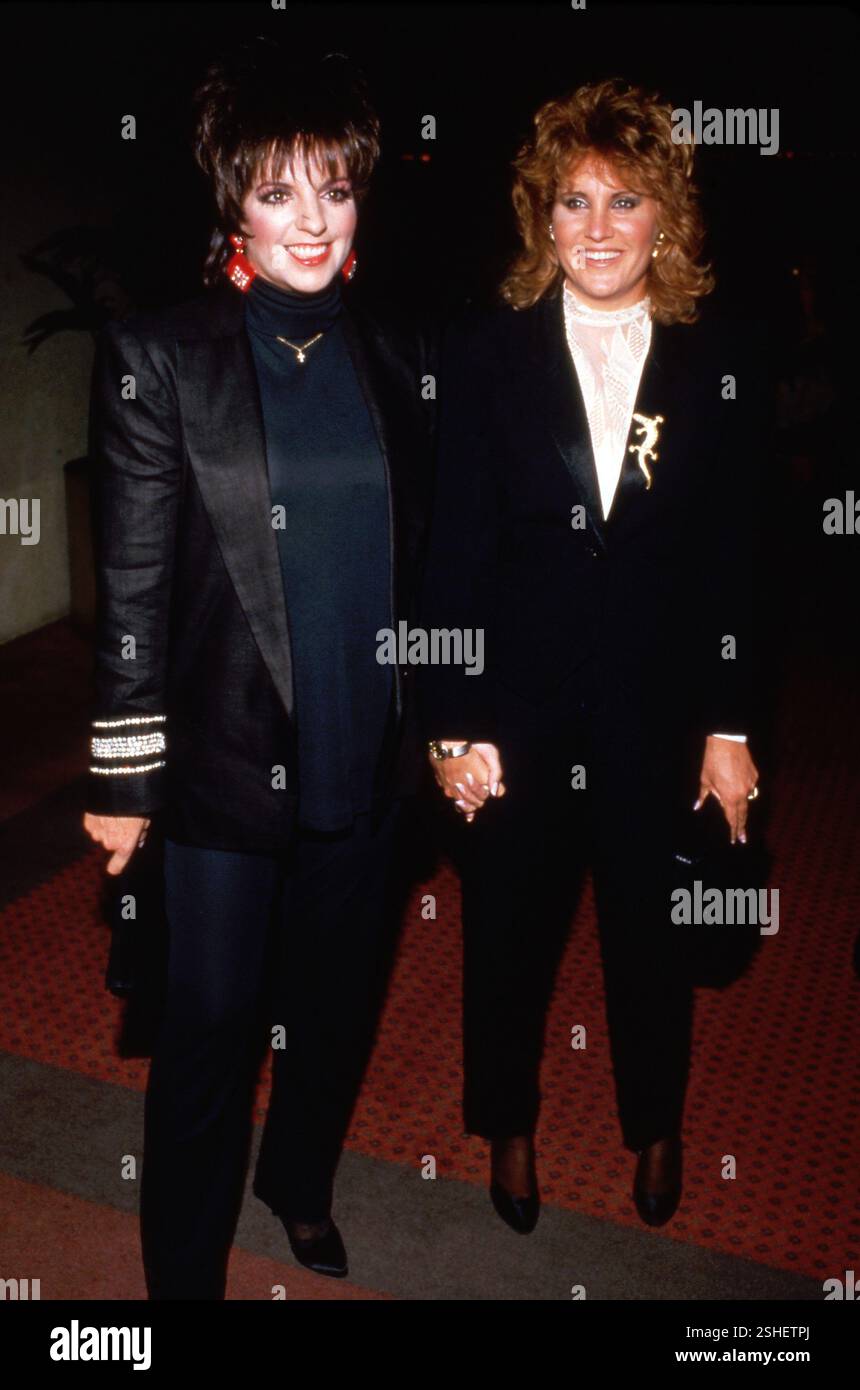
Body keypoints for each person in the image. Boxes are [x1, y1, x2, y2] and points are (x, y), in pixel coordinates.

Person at [82, 38, 432, 1298]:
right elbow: (129, 583)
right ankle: (181, 1277)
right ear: (233, 196)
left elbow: (430, 563)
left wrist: (443, 720)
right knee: (209, 1032)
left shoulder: (396, 356)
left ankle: (295, 1184)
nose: (310, 219)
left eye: (333, 189)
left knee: (332, 1015)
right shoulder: (161, 355)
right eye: (279, 189)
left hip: (364, 762)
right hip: (224, 772)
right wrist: (124, 776)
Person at [420, 77, 767, 1233]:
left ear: (663, 217)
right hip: (516, 712)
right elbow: (452, 551)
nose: (598, 228)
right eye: (573, 202)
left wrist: (725, 728)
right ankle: (507, 1125)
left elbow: (733, 563)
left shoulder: (713, 363)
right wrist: (453, 721)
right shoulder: (485, 359)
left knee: (651, 935)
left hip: (650, 712)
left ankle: (654, 1123)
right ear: (541, 217)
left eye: (624, 201)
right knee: (506, 933)